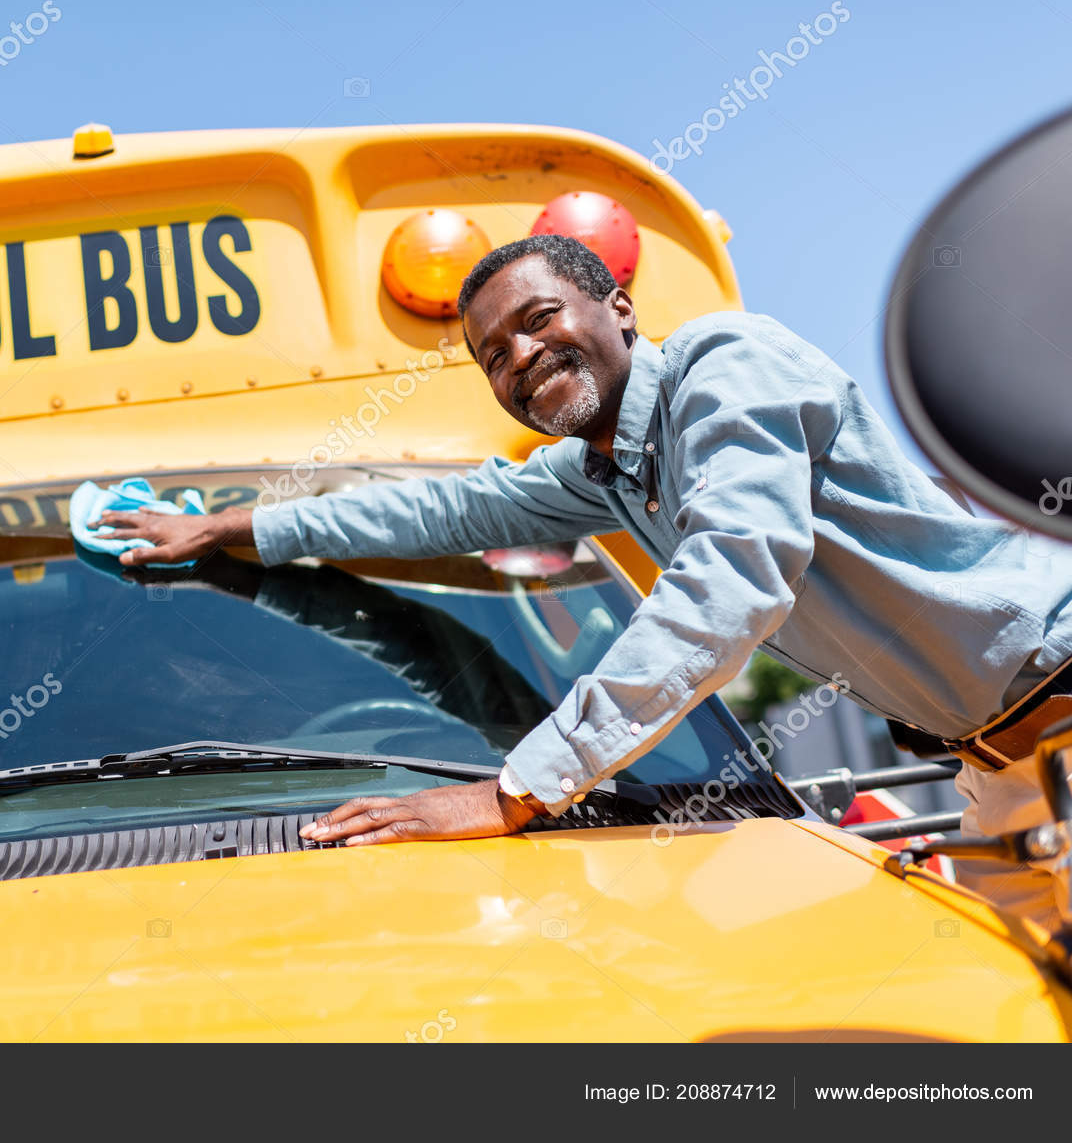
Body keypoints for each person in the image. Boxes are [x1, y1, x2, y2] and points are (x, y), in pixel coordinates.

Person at [95, 234, 1072, 928]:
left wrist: (517, 791)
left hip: (1057, 694)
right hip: (997, 767)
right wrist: (234, 524)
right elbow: (440, 515)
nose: (520, 355)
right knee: (1019, 1018)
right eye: (492, 355)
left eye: (537, 319)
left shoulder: (727, 367)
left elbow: (734, 577)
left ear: (618, 308)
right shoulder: (611, 471)